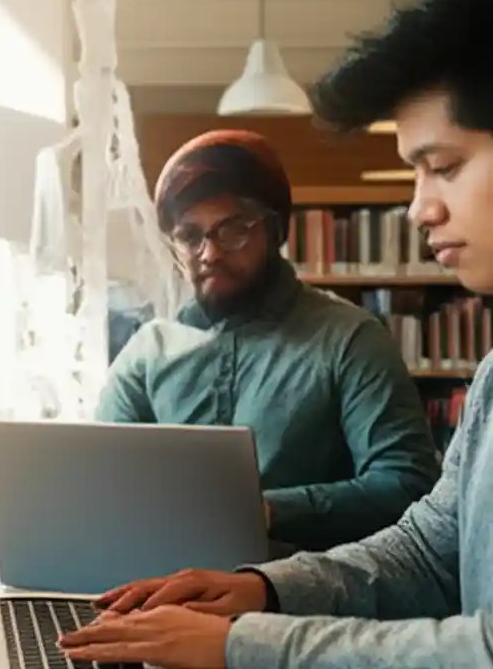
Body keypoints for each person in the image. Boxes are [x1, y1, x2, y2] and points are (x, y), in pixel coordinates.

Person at [60, 0, 493, 668]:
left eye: (442, 166)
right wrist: (261, 589)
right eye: (188, 235)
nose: (420, 208)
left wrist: (243, 642)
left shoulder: (347, 337)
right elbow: (429, 547)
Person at [95, 128, 440, 553]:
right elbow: (102, 480)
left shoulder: (349, 338)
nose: (209, 253)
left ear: (276, 231)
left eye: (233, 229)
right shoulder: (147, 353)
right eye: (189, 236)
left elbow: (407, 484)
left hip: (303, 603)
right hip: (160, 590)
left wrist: (269, 511)